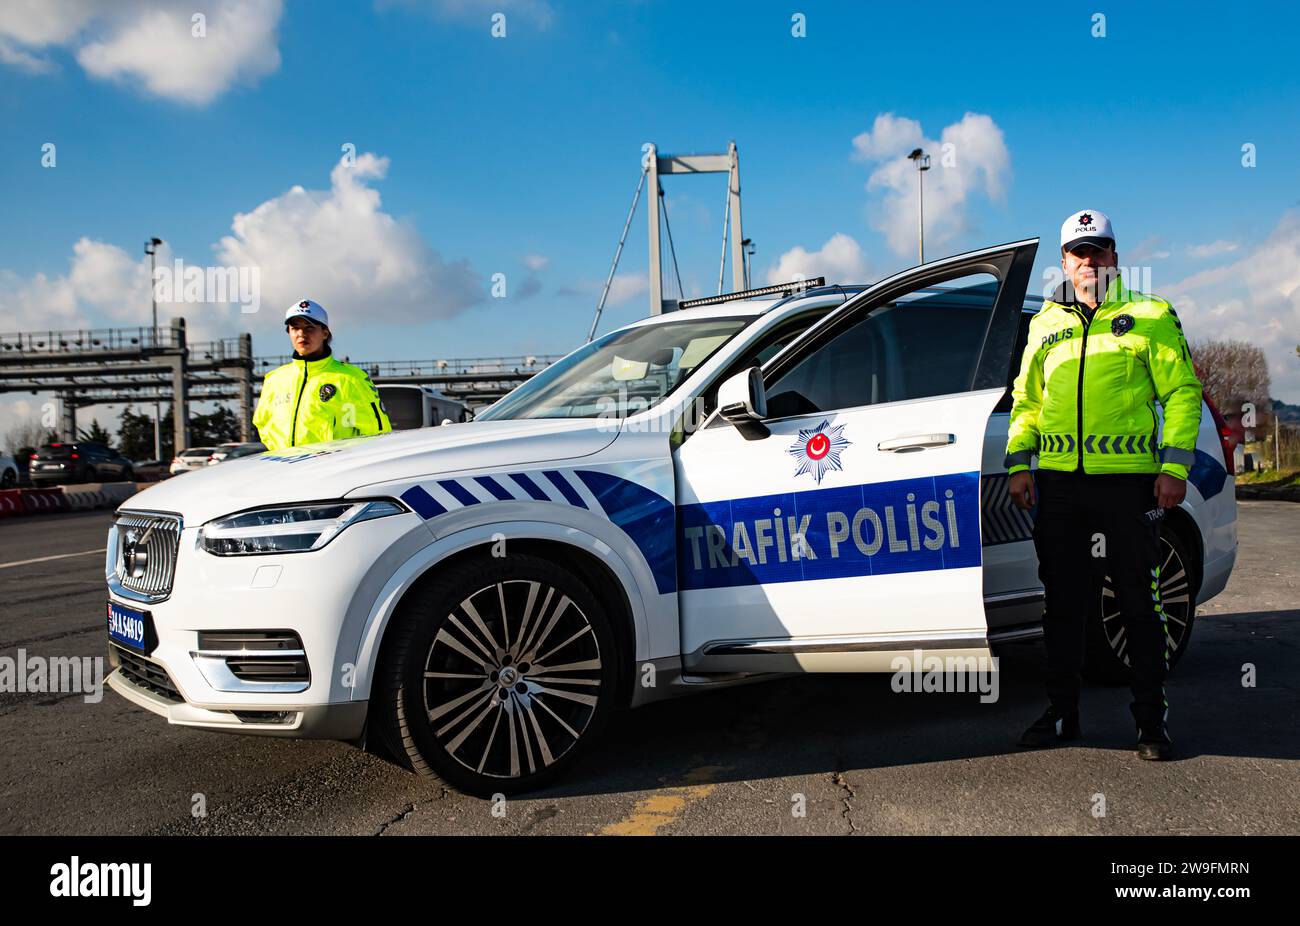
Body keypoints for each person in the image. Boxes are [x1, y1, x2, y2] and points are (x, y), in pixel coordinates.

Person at [1004, 210, 1202, 761]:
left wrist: (1174, 468)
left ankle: (1150, 723)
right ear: (1063, 262)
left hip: (1129, 487)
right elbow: (1028, 402)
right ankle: (1063, 713)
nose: (1089, 262)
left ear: (1115, 257)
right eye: (1078, 253)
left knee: (1140, 602)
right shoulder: (1045, 324)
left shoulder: (1150, 315)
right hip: (1060, 487)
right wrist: (1021, 464)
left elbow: (1182, 393)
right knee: (1062, 604)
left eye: (1100, 251)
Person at [252, 299, 392, 452]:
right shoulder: (274, 380)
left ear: (325, 333)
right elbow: (263, 424)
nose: (301, 334)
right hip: (286, 470)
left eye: (309, 328)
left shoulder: (351, 378)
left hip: (334, 470)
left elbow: (379, 433)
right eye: (295, 328)